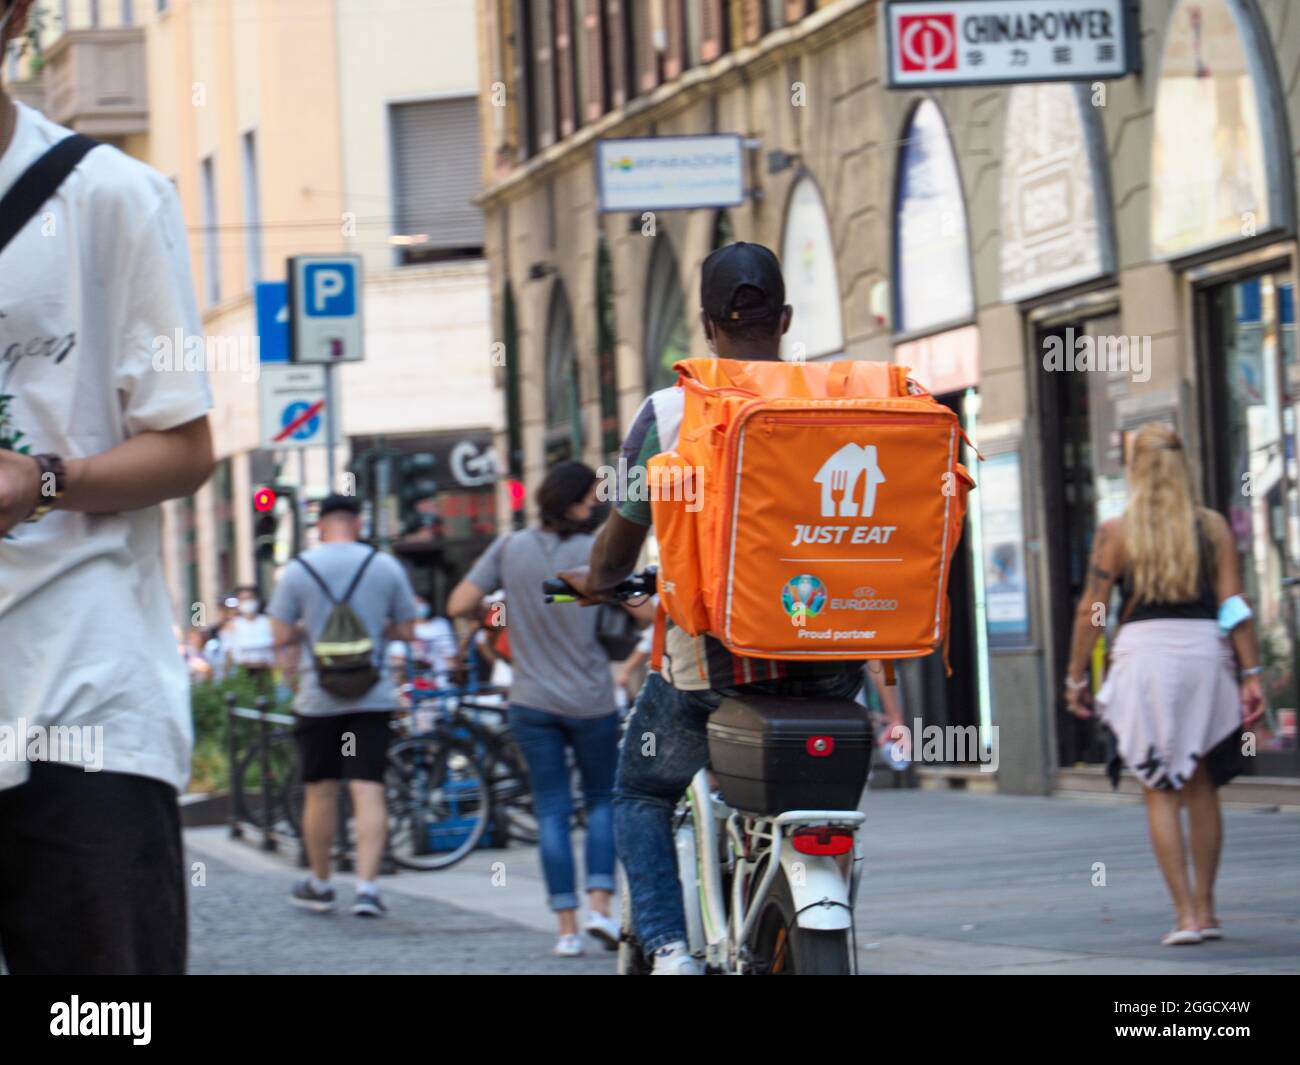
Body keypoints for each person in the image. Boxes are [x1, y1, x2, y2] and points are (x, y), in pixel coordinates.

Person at [559, 243, 867, 974]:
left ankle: (668, 947)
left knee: (640, 789)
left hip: (716, 666)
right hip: (831, 661)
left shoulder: (671, 412)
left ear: (704, 324)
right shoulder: (840, 395)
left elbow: (618, 549)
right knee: (821, 802)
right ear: (786, 318)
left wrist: (599, 578)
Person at [0, 0, 215, 975]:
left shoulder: (112, 195)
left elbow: (184, 446)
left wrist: (44, 479)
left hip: (81, 697)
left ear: (16, 16)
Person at [1063, 422, 1265, 946]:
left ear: (1135, 470)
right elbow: (1233, 605)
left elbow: (1094, 607)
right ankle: (1208, 908)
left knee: (1158, 786)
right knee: (1199, 781)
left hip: (1145, 657)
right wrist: (1252, 673)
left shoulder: (1117, 531)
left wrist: (1076, 675)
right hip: (1204, 653)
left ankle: (1183, 917)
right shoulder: (1213, 527)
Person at [448, 462, 653, 957]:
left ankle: (565, 929)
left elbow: (460, 603)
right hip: (590, 698)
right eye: (590, 497)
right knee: (603, 800)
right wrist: (613, 589)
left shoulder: (509, 547)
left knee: (552, 810)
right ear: (573, 499)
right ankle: (600, 909)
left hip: (531, 700)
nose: (596, 505)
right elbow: (645, 614)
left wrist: (497, 613)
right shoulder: (596, 551)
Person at [267, 494, 419, 918]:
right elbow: (408, 629)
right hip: (370, 699)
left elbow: (279, 636)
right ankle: (367, 888)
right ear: (358, 521)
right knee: (368, 787)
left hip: (319, 699)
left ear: (321, 525)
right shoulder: (383, 566)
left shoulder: (298, 570)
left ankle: (320, 882)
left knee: (321, 790)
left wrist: (308, 631)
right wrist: (374, 628)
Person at [225, 585, 277, 688]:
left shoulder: (268, 622)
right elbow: (229, 654)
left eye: (250, 598)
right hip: (243, 673)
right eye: (243, 599)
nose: (247, 602)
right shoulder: (233, 625)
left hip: (266, 671)